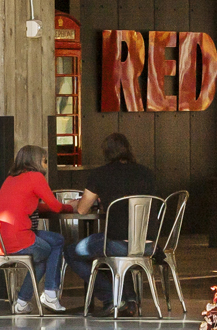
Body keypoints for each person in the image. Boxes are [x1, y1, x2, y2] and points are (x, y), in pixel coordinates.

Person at [0, 144, 89, 313]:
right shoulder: (35, 176)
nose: (45, 165)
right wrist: (71, 207)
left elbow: (35, 206)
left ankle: (22, 303)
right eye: (44, 160)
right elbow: (56, 207)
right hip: (18, 239)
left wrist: (64, 206)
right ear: (37, 161)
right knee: (52, 248)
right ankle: (50, 294)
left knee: (55, 242)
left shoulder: (11, 178)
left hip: (0, 239)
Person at [65, 133, 157, 313]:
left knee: (70, 252)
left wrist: (77, 203)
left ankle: (111, 297)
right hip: (148, 244)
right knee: (117, 254)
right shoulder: (148, 174)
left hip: (116, 244)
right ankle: (130, 301)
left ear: (106, 153)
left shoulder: (100, 174)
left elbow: (83, 209)